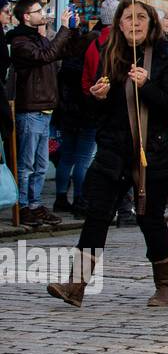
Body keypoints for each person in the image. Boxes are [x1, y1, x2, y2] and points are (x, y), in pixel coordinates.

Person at [47, 0, 168, 308]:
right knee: (97, 215)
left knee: (150, 218)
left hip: (153, 150)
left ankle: (166, 286)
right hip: (113, 149)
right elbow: (99, 112)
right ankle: (76, 285)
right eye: (127, 18)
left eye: (140, 17)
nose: (134, 23)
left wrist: (147, 85)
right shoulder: (112, 52)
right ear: (118, 24)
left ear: (150, 22)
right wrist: (98, 97)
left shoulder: (165, 55)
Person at [7, 0, 74, 225]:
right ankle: (24, 206)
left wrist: (67, 32)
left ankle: (35, 204)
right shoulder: (20, 41)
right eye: (37, 11)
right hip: (31, 109)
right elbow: (45, 56)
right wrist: (63, 30)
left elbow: (58, 53)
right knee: (26, 164)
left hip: (45, 108)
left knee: (41, 164)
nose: (42, 14)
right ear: (26, 16)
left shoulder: (38, 38)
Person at [52, 23, 99, 217]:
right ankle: (80, 198)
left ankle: (60, 197)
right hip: (86, 115)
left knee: (67, 157)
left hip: (68, 114)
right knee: (83, 159)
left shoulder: (69, 62)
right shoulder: (89, 64)